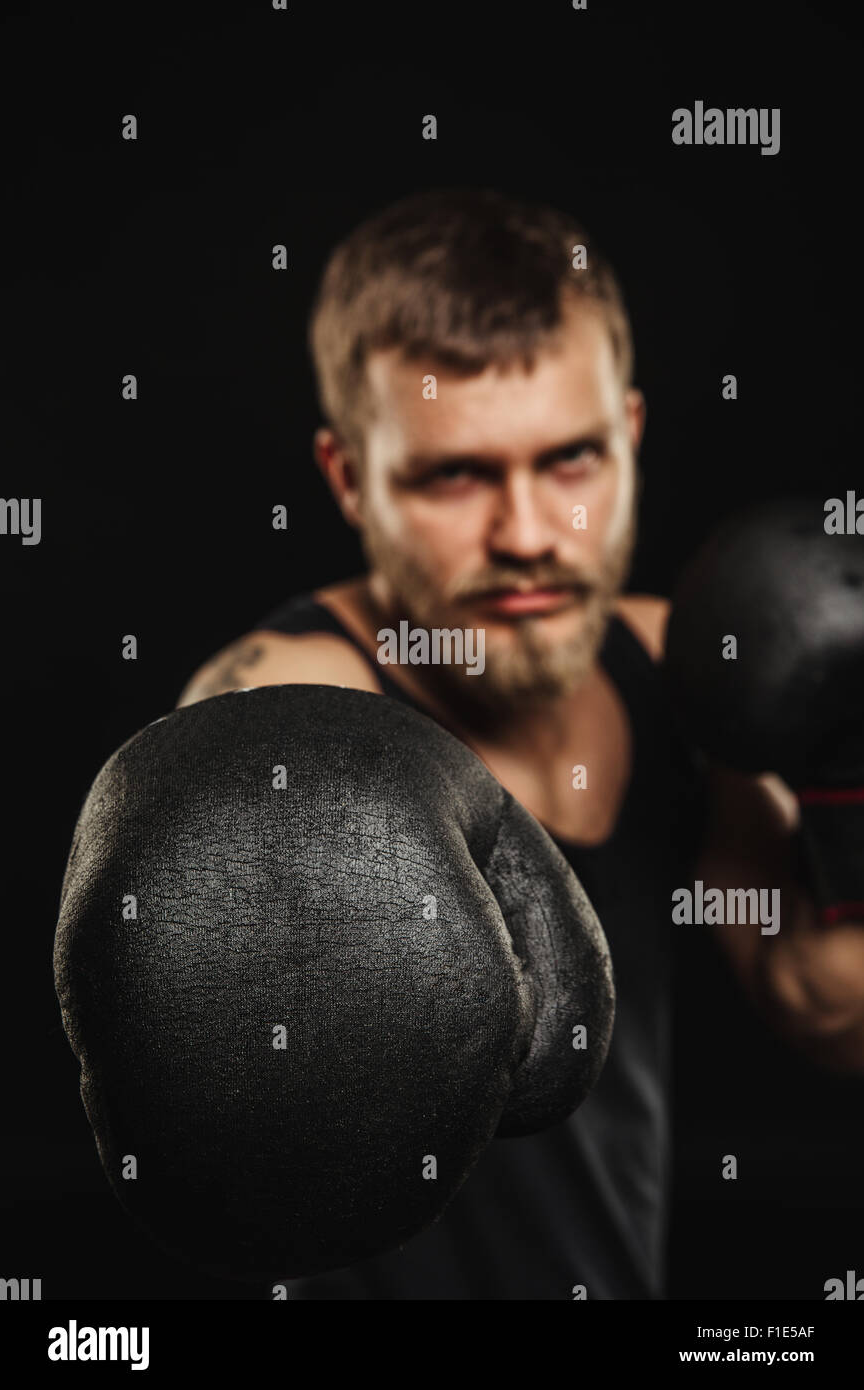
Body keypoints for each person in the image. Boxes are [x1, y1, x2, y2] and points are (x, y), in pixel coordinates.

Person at [175, 188, 864, 1299]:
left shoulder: (671, 669)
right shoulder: (304, 695)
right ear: (349, 477)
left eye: (571, 461)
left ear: (630, 438)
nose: (530, 535)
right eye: (456, 474)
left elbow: (824, 1006)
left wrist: (844, 783)